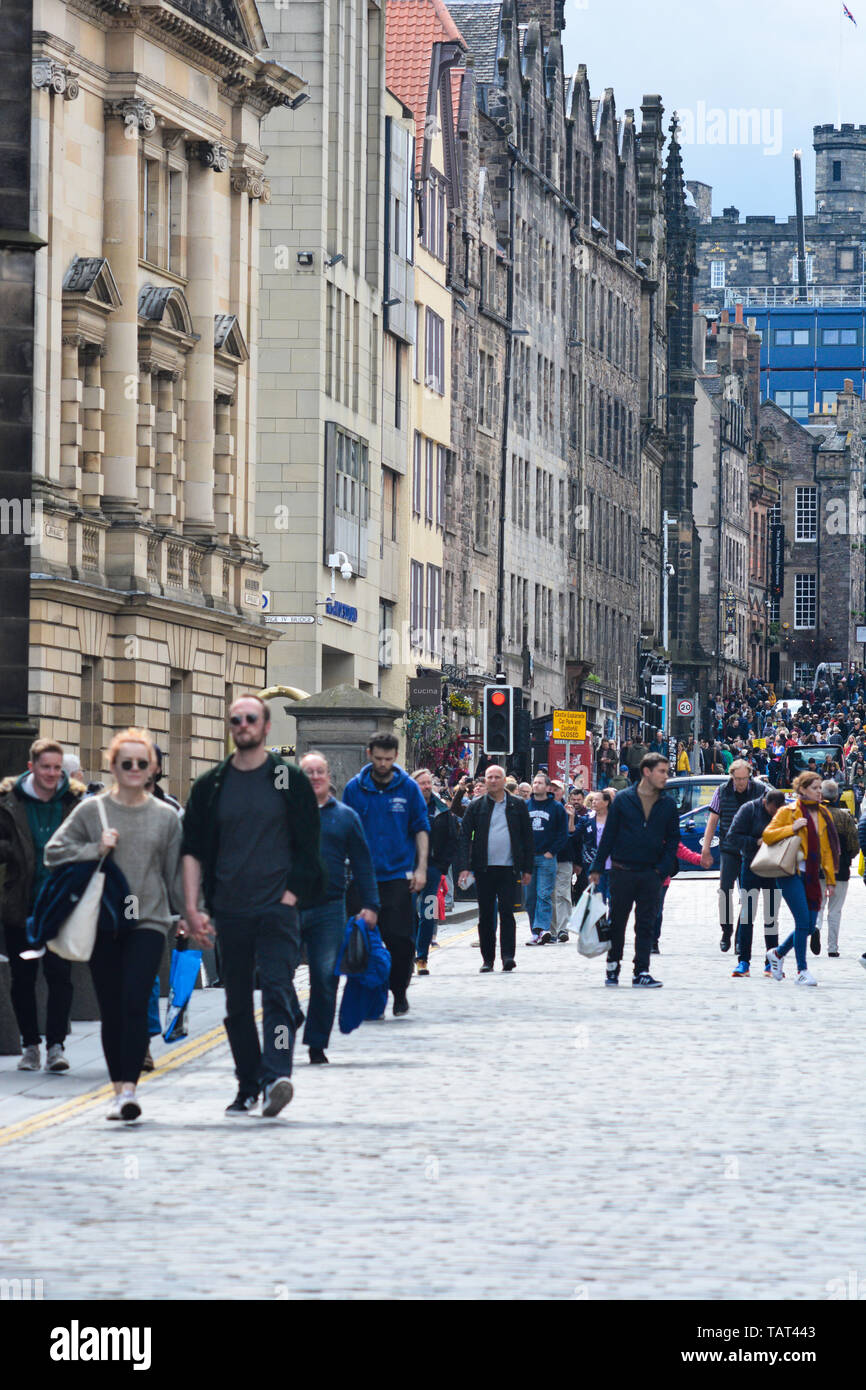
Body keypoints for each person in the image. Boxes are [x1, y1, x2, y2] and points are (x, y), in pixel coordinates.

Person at [181, 694, 325, 1117]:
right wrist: (193, 907)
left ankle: (278, 1073)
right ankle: (248, 1083)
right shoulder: (211, 786)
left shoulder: (287, 779)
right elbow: (192, 850)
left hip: (278, 907)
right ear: (231, 728)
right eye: (236, 719)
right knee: (237, 1002)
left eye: (251, 718)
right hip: (229, 909)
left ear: (265, 728)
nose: (242, 724)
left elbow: (307, 844)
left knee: (279, 991)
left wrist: (291, 894)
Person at [43, 729, 184, 1121]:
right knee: (112, 1007)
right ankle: (118, 1090)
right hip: (106, 920)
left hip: (148, 921)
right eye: (127, 763)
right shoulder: (92, 810)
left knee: (136, 1000)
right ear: (114, 766)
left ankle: (130, 1089)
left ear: (153, 768)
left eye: (143, 763)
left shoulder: (167, 816)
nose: (135, 769)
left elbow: (175, 875)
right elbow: (53, 853)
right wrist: (95, 848)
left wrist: (193, 914)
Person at [0, 738, 85, 1072]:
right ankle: (30, 1045)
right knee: (23, 977)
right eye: (45, 767)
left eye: (56, 767)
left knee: (60, 975)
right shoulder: (9, 801)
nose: (52, 774)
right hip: (22, 902)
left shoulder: (74, 802)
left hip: (62, 904)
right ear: (31, 767)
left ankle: (56, 1046)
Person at [299, 751, 379, 1063]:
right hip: (287, 906)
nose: (315, 777)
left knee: (325, 977)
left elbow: (363, 863)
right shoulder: (285, 814)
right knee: (273, 973)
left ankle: (317, 1043)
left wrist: (371, 904)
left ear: (329, 777)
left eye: (320, 771)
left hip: (329, 907)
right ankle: (290, 1013)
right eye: (308, 772)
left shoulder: (346, 817)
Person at [342, 733, 430, 1017]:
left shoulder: (408, 788)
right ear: (369, 754)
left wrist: (421, 869)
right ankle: (373, 997)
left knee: (400, 940)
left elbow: (421, 828)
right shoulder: (355, 789)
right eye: (379, 758)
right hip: (363, 878)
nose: (383, 764)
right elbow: (346, 829)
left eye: (389, 759)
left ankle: (400, 991)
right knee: (364, 941)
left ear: (395, 757)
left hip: (398, 877)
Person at [589, 753, 680, 988]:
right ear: (647, 772)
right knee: (617, 921)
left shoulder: (668, 803)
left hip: (651, 872)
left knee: (646, 924)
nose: (666, 776)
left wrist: (662, 869)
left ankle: (642, 971)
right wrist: (597, 866)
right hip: (622, 870)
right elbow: (609, 835)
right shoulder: (623, 800)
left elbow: (672, 840)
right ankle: (612, 966)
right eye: (662, 771)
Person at [764, 771, 839, 986]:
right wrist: (792, 827)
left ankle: (777, 954)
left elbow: (826, 850)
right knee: (802, 921)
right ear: (803, 789)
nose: (819, 791)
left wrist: (831, 880)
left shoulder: (823, 813)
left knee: (808, 925)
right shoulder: (788, 811)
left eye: (820, 788)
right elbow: (768, 835)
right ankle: (801, 970)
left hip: (812, 875)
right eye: (815, 788)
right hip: (790, 873)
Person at [458, 764, 533, 971]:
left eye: (496, 777)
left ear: (503, 780)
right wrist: (464, 867)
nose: (492, 780)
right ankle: (487, 959)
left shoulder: (517, 805)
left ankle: (508, 956)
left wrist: (528, 869)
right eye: (489, 777)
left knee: (507, 913)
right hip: (484, 869)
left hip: (509, 868)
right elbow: (464, 837)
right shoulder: (476, 805)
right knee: (485, 916)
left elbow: (527, 837)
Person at [700, 759, 766, 953]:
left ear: (750, 776)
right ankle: (726, 930)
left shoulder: (760, 790)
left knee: (748, 894)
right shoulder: (721, 791)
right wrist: (705, 848)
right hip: (729, 848)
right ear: (731, 776)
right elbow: (712, 820)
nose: (741, 783)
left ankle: (739, 936)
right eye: (737, 779)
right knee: (725, 891)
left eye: (744, 778)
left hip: (752, 849)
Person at [725, 787, 786, 978]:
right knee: (747, 915)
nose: (775, 815)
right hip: (751, 866)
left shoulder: (783, 813)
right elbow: (732, 836)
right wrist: (756, 842)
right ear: (765, 803)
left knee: (771, 916)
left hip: (773, 868)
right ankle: (743, 961)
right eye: (772, 811)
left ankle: (771, 962)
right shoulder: (748, 809)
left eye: (778, 811)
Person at [411, 768, 459, 975]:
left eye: (429, 783)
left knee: (428, 913)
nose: (427, 786)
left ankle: (422, 957)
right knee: (408, 912)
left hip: (431, 869)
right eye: (422, 783)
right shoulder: (405, 807)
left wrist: (441, 867)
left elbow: (452, 839)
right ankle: (407, 953)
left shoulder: (442, 810)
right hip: (407, 868)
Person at [525, 771, 569, 945]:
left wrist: (552, 851)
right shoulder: (526, 805)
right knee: (529, 898)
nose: (536, 785)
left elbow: (562, 833)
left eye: (540, 783)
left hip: (546, 858)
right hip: (529, 858)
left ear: (548, 787)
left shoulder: (556, 807)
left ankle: (541, 929)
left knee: (544, 894)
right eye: (534, 782)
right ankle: (534, 930)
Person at [819, 779, 858, 958]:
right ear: (836, 796)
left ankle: (815, 930)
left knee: (817, 906)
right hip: (840, 870)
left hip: (818, 869)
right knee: (835, 909)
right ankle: (832, 947)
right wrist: (846, 859)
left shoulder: (816, 815)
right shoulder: (845, 817)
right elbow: (854, 845)